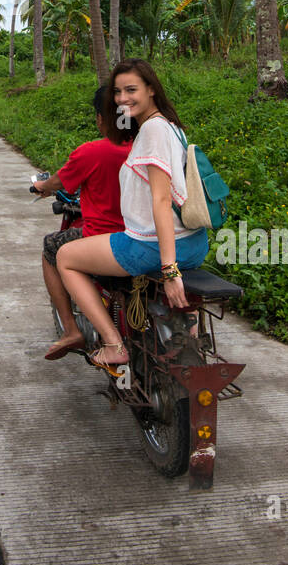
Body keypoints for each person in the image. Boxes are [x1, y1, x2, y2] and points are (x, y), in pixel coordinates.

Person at [56, 58, 210, 375]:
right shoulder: (170, 126)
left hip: (153, 247)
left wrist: (169, 271)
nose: (122, 99)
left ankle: (113, 344)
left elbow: (161, 197)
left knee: (65, 256)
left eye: (131, 90)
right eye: (117, 92)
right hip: (194, 243)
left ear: (151, 89)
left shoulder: (152, 130)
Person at [32, 82, 132, 360]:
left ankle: (71, 330)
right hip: (148, 237)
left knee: (52, 246)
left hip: (104, 238)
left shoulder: (91, 152)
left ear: (101, 119)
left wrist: (42, 187)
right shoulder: (149, 147)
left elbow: (58, 182)